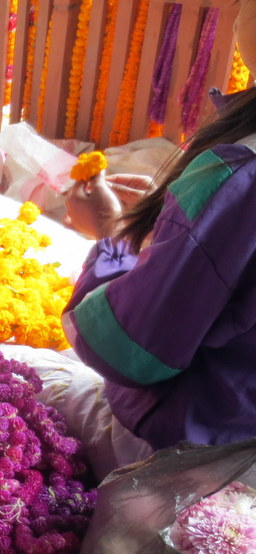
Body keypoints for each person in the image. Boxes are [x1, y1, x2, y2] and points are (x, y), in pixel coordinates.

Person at [44, 0, 256, 479]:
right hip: (237, 440)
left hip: (184, 458)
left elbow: (132, 350)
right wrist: (173, 229)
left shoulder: (239, 177)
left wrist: (114, 237)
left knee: (14, 379)